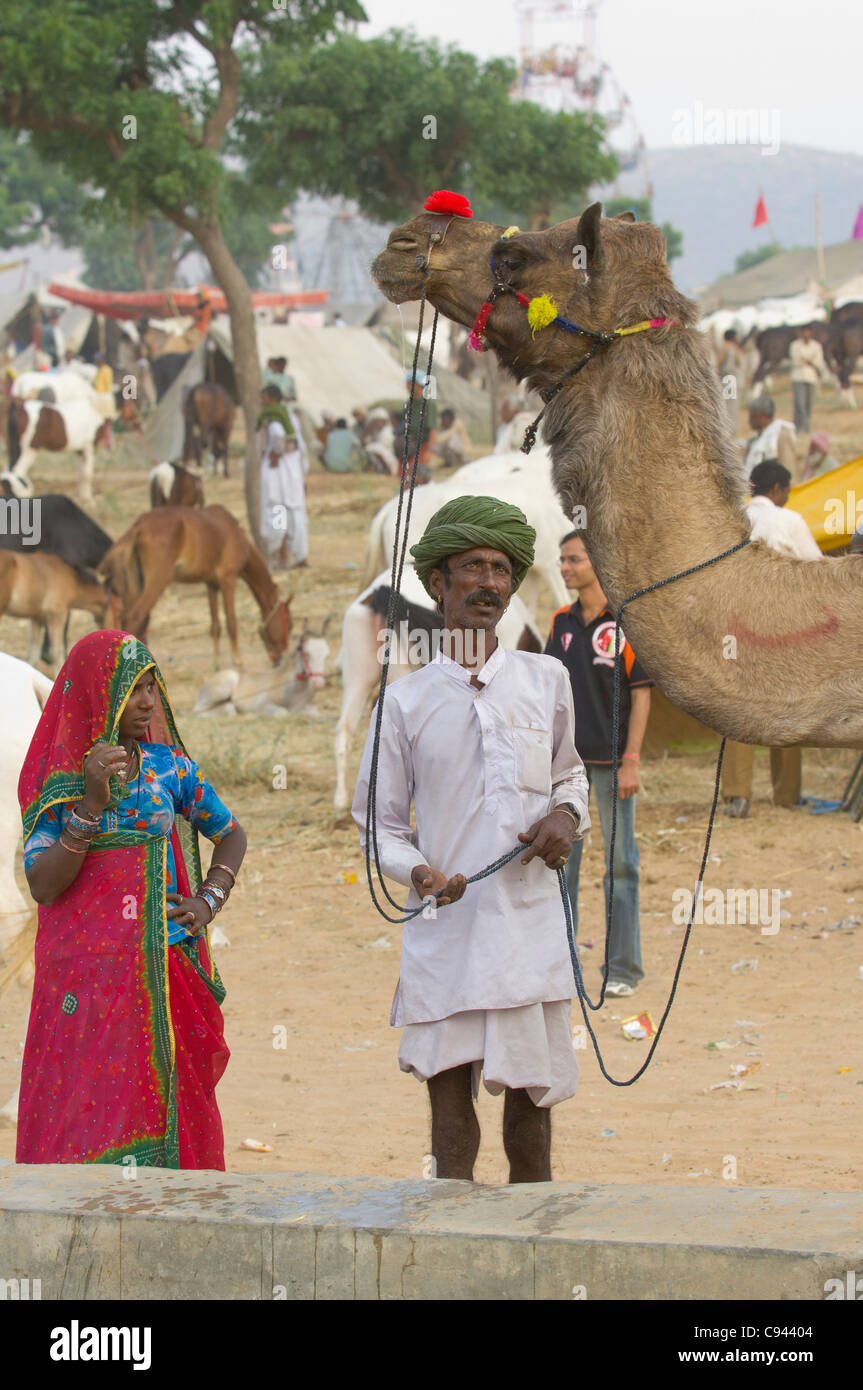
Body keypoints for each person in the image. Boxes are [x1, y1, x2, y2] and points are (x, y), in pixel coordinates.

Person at [352, 496, 590, 1183]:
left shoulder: (544, 678)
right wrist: (419, 873)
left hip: (527, 926)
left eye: (499, 569)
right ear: (437, 584)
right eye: (471, 568)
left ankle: (529, 1255)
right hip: (446, 929)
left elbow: (570, 776)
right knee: (448, 1112)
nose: (488, 582)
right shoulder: (405, 701)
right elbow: (381, 826)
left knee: (530, 1110)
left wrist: (564, 818)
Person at [16, 630, 246, 1168]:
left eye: (151, 686)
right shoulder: (61, 784)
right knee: (80, 1097)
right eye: (131, 689)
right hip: (84, 975)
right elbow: (44, 885)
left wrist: (210, 899)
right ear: (99, 696)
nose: (147, 702)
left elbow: (231, 834)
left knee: (169, 1093)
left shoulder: (171, 768)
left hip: (161, 966)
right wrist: (91, 804)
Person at [546, 532, 652, 997]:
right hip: (568, 768)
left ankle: (623, 969)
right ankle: (558, 967)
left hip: (612, 766)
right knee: (561, 867)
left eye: (574, 559)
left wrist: (632, 759)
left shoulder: (627, 620)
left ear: (598, 562)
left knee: (621, 864)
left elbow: (642, 692)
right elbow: (549, 692)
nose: (565, 567)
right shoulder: (560, 621)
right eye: (562, 560)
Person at [722, 461, 822, 818]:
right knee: (788, 705)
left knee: (737, 708)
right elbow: (815, 568)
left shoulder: (733, 518)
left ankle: (737, 794)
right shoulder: (789, 520)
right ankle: (787, 794)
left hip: (737, 621)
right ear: (778, 489)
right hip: (783, 625)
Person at [257, 383, 309, 568]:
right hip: (293, 474)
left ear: (271, 398)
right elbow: (298, 445)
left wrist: (276, 453)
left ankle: (281, 558)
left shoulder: (273, 416)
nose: (261, 401)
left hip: (279, 478)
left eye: (263, 397)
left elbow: (278, 436)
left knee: (279, 515)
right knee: (296, 516)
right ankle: (301, 557)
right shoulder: (290, 416)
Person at [743, 395, 798, 481]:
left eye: (751, 416)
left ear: (759, 415)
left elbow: (788, 470)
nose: (749, 420)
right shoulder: (753, 441)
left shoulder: (781, 436)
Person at [789, 326, 826, 435]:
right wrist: (808, 360)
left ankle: (806, 428)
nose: (806, 334)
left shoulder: (816, 346)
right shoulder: (795, 345)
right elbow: (795, 360)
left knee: (808, 404)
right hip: (798, 377)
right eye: (804, 332)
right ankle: (798, 427)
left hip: (811, 377)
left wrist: (808, 360)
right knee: (799, 404)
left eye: (808, 332)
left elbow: (818, 361)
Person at [717, 329, 744, 438]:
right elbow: (739, 362)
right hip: (732, 377)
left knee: (727, 404)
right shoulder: (733, 347)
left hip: (726, 377)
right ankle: (731, 429)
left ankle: (728, 429)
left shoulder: (724, 347)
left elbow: (719, 362)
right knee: (731, 404)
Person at [363, 406, 399, 476]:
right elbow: (363, 441)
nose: (378, 423)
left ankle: (387, 471)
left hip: (391, 462)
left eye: (380, 420)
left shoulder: (388, 431)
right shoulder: (377, 432)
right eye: (376, 421)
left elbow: (382, 449)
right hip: (384, 461)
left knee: (373, 448)